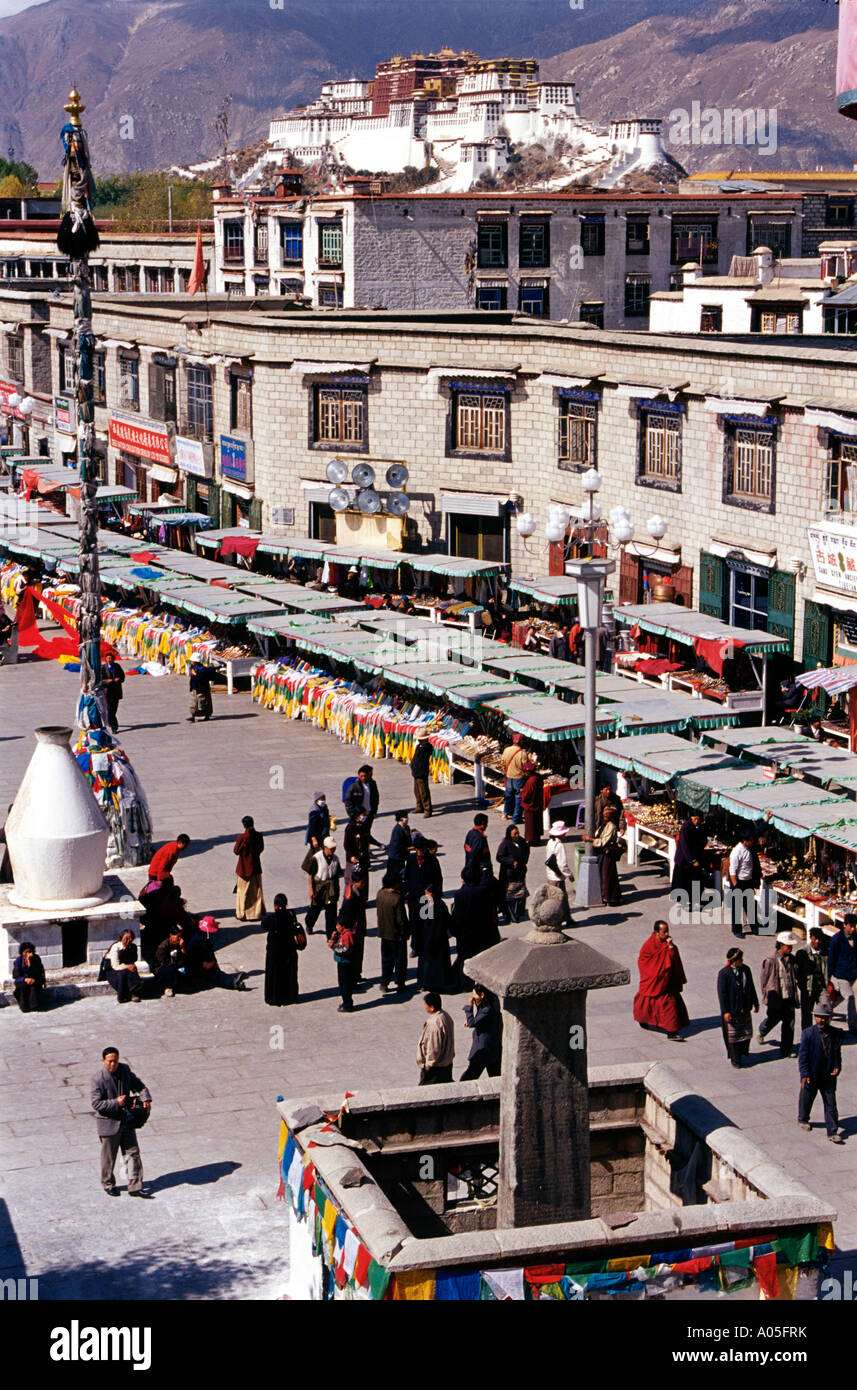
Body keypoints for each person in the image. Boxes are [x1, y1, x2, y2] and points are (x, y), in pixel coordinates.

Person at [90, 1046, 152, 1197]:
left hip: (126, 1120)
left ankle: (135, 1186)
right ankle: (108, 1183)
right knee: (109, 1157)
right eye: (110, 1061)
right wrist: (116, 1102)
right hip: (109, 1123)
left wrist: (146, 1099)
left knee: (133, 1153)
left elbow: (139, 1085)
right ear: (103, 1061)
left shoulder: (124, 1070)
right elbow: (96, 1104)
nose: (113, 1065)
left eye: (115, 1061)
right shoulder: (98, 1079)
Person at [797, 997, 845, 1143]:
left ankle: (832, 1131)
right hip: (812, 1074)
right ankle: (803, 1119)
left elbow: (837, 1053)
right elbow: (803, 1057)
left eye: (824, 1018)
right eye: (818, 1017)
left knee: (831, 1103)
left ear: (829, 1018)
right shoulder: (808, 1034)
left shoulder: (836, 1034)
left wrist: (837, 1067)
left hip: (828, 1075)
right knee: (807, 1098)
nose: (821, 1020)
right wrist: (805, 1074)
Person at [632, 921, 688, 1040]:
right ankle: (644, 1019)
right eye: (664, 932)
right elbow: (644, 962)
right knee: (646, 1000)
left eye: (668, 931)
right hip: (653, 980)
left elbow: (673, 960)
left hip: (666, 983)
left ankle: (672, 1031)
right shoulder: (649, 945)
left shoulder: (667, 944)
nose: (667, 934)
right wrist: (655, 973)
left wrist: (671, 947)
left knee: (669, 1006)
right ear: (657, 933)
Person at [717, 946, 759, 1068]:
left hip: (744, 1008)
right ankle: (735, 1059)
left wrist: (755, 1003)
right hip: (732, 1010)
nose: (742, 961)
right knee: (733, 1037)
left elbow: (751, 987)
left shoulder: (746, 970)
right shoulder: (724, 974)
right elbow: (722, 994)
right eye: (740, 959)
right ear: (734, 960)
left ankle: (742, 1053)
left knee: (746, 1034)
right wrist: (725, 1011)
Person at [758, 932, 799, 1058]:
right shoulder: (770, 960)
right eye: (788, 946)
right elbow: (764, 981)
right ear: (781, 945)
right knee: (773, 1019)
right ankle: (762, 1031)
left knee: (789, 1024)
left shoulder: (792, 960)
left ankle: (786, 1049)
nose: (790, 948)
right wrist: (766, 997)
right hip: (776, 998)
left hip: (789, 997)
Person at [263, 893, 306, 1006]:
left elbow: (264, 925)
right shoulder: (291, 915)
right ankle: (290, 997)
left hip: (275, 952)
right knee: (289, 974)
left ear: (275, 906)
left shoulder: (272, 918)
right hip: (289, 950)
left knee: (275, 976)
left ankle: (275, 998)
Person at [184, 917, 248, 991]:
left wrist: (213, 962)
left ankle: (232, 980)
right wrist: (205, 963)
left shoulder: (203, 936)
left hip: (201, 963)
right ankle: (234, 983)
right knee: (214, 976)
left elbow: (210, 953)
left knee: (215, 973)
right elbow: (195, 956)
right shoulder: (199, 939)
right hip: (195, 966)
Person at [403, 838, 443, 956]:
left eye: (421, 849)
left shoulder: (432, 861)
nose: (419, 852)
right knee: (414, 922)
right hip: (413, 897)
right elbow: (407, 875)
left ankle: (427, 945)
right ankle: (415, 946)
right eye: (417, 849)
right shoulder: (411, 859)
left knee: (426, 922)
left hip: (427, 898)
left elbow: (438, 879)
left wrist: (435, 893)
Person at [376, 869, 409, 994]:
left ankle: (384, 983)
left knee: (386, 959)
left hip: (384, 932)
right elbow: (401, 919)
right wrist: (405, 932)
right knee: (400, 960)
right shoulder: (397, 898)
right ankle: (400, 984)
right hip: (396, 935)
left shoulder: (380, 894)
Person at [460, 984, 502, 1080]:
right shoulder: (493, 1000)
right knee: (494, 1073)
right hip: (492, 1045)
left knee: (469, 1076)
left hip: (483, 1046)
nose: (473, 998)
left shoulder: (487, 1009)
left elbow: (471, 1023)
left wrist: (469, 1007)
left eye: (475, 996)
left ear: (482, 995)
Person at [303, 837, 343, 938]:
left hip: (331, 888)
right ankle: (309, 923)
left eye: (334, 848)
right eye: (331, 848)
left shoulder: (336, 859)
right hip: (319, 887)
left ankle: (330, 934)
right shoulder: (317, 858)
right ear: (325, 848)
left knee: (331, 913)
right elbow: (311, 875)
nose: (333, 850)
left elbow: (337, 875)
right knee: (315, 909)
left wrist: (337, 891)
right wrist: (311, 890)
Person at [585, 806, 623, 907]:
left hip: (607, 854)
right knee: (602, 875)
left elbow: (603, 841)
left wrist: (590, 840)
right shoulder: (603, 825)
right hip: (601, 854)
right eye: (605, 813)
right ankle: (603, 896)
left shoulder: (611, 827)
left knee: (607, 876)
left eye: (608, 814)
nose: (605, 815)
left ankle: (610, 898)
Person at [796, 927, 830, 1031]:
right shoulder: (802, 953)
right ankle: (807, 1036)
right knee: (806, 1015)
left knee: (826, 1009)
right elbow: (798, 973)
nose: (817, 942)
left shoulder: (824, 952)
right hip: (808, 989)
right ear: (811, 938)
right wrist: (802, 987)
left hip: (821, 987)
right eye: (815, 939)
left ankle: (823, 1034)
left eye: (819, 939)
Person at [671, 811, 708, 906]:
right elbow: (684, 846)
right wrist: (692, 860)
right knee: (684, 880)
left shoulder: (698, 827)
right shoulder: (686, 827)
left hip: (692, 857)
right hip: (685, 860)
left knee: (694, 880)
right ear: (691, 818)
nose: (696, 821)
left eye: (698, 819)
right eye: (695, 819)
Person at [417, 992, 455, 1084]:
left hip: (436, 1067)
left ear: (432, 1007)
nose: (424, 1006)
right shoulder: (445, 1015)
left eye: (426, 1004)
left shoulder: (435, 1024)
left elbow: (434, 1046)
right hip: (446, 1063)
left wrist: (429, 1064)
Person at [828, 913, 857, 1035]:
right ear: (844, 925)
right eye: (851, 926)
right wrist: (828, 976)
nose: (853, 928)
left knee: (840, 996)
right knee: (850, 996)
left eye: (855, 926)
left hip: (853, 974)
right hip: (841, 975)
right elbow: (831, 958)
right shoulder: (836, 940)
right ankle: (853, 1025)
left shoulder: (856, 937)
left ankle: (827, 1009)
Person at [233, 815, 265, 922]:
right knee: (255, 891)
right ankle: (255, 913)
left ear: (244, 825)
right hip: (255, 867)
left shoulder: (242, 837)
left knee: (242, 891)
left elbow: (236, 851)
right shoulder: (259, 835)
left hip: (244, 868)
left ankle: (242, 913)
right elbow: (261, 849)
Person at [728, 832, 760, 938]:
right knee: (737, 907)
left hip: (748, 881)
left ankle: (754, 927)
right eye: (750, 840)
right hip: (739, 882)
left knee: (750, 905)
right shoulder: (737, 852)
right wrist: (736, 887)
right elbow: (732, 871)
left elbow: (758, 832)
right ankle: (737, 930)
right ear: (744, 841)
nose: (752, 842)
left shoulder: (748, 849)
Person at [496, 823, 530, 923]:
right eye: (514, 834)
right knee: (509, 897)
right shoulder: (505, 844)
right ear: (509, 835)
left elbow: (527, 852)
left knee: (520, 895)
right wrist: (511, 861)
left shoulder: (522, 842)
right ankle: (510, 915)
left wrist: (523, 862)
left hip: (520, 873)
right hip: (509, 875)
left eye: (518, 833)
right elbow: (500, 857)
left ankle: (518, 913)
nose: (517, 835)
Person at [328, 904, 358, 1013]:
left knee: (345, 985)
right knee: (343, 984)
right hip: (342, 962)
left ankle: (347, 1004)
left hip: (345, 963)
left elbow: (345, 949)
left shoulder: (347, 935)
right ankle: (346, 1001)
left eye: (338, 925)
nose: (336, 926)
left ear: (343, 926)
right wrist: (334, 938)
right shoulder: (343, 934)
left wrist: (334, 947)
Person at [544, 821, 574, 925]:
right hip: (557, 877)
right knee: (559, 899)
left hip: (550, 875)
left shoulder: (550, 842)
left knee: (557, 898)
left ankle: (566, 918)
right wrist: (569, 875)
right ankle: (560, 919)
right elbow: (562, 864)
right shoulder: (559, 845)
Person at [104, 928, 144, 1005]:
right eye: (126, 938)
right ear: (121, 938)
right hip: (112, 969)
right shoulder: (116, 947)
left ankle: (132, 992)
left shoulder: (133, 947)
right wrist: (127, 966)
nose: (128, 940)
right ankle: (123, 995)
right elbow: (115, 966)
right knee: (122, 975)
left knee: (131, 973)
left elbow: (133, 960)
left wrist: (131, 966)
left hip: (125, 967)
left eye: (130, 938)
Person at [501, 734, 529, 824]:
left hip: (509, 777)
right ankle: (516, 818)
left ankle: (505, 814)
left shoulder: (507, 750)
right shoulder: (522, 753)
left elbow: (503, 762)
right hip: (519, 779)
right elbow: (525, 768)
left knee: (508, 796)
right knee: (518, 798)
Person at [153, 929, 190, 997]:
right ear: (171, 935)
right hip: (161, 968)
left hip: (176, 964)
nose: (179, 939)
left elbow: (185, 958)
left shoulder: (179, 944)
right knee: (170, 970)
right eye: (177, 936)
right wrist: (177, 963)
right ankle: (168, 987)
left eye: (180, 937)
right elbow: (163, 962)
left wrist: (182, 948)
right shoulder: (163, 946)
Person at [12, 941, 45, 1012]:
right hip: (22, 980)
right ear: (22, 953)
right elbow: (16, 975)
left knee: (33, 986)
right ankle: (24, 1006)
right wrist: (24, 979)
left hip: (35, 978)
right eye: (26, 952)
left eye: (29, 952)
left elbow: (39, 971)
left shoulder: (36, 958)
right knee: (23, 986)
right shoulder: (18, 961)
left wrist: (30, 963)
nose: (28, 954)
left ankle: (34, 1005)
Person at [343, 809, 371, 891]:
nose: (365, 817)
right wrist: (351, 856)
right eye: (363, 815)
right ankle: (349, 898)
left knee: (364, 880)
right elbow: (346, 844)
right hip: (353, 858)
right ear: (358, 816)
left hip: (363, 858)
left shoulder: (364, 825)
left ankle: (363, 900)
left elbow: (368, 837)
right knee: (350, 879)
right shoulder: (350, 827)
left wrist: (379, 844)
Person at [520, 760, 544, 847]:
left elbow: (527, 795)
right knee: (537, 823)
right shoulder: (538, 777)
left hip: (531, 805)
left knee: (531, 825)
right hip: (537, 803)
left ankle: (531, 840)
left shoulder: (531, 781)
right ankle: (537, 839)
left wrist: (522, 792)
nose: (525, 773)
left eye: (525, 772)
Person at [410, 730, 433, 817]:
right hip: (416, 772)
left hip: (421, 772)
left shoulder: (426, 747)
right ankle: (419, 806)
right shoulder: (419, 746)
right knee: (417, 791)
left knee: (424, 792)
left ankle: (427, 809)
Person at [386, 809, 412, 881]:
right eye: (406, 817)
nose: (407, 819)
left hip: (402, 857)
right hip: (395, 858)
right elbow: (398, 847)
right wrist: (410, 848)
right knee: (393, 877)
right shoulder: (397, 830)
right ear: (401, 819)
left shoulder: (406, 828)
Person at [102, 654, 125, 733]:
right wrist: (106, 681)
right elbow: (99, 680)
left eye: (111, 658)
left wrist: (118, 679)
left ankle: (110, 721)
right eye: (108, 658)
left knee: (113, 709)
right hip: (107, 691)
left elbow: (122, 677)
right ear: (106, 659)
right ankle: (114, 727)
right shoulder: (103, 668)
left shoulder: (117, 666)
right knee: (110, 709)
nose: (109, 660)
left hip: (116, 691)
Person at [464, 813, 492, 878]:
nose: (487, 825)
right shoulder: (479, 838)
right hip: (479, 871)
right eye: (486, 823)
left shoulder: (470, 833)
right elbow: (474, 855)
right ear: (482, 823)